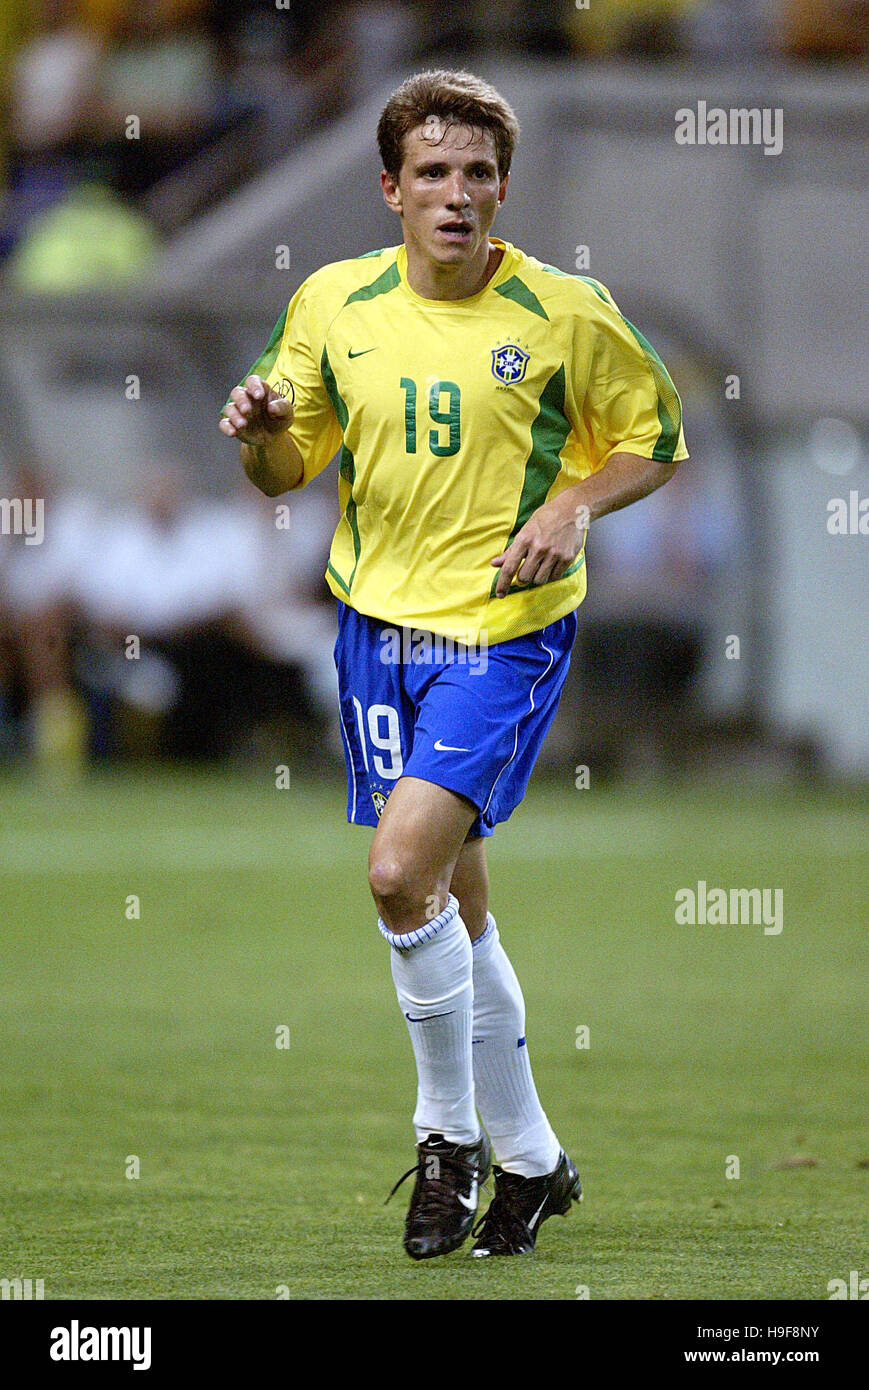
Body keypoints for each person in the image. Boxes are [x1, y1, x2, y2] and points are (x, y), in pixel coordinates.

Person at [219, 69, 688, 1261]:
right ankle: (533, 1161)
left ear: (501, 188)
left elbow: (655, 438)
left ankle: (448, 1138)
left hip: (500, 632)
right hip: (376, 631)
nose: (456, 193)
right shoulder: (333, 304)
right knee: (452, 907)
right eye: (431, 172)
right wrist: (268, 436)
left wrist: (576, 502)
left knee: (392, 876)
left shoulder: (563, 309)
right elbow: (286, 475)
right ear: (388, 189)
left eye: (477, 173)